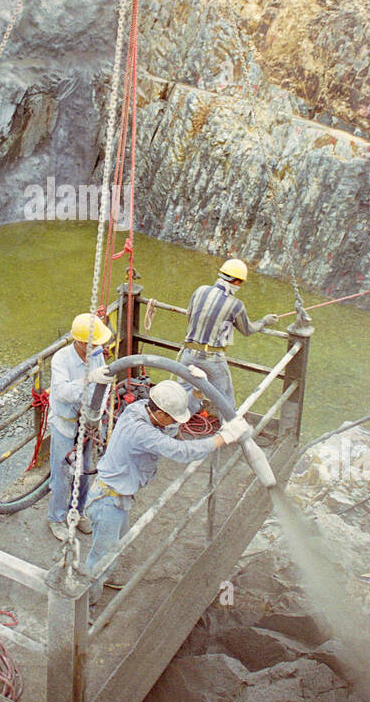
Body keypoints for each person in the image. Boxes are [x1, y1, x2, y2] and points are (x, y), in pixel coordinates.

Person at [83, 380, 249, 604]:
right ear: (159, 413)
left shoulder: (142, 408)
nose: (172, 422)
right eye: (170, 417)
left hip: (117, 498)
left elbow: (171, 424)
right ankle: (86, 605)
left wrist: (196, 394)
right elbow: (180, 451)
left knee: (115, 546)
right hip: (108, 502)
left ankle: (104, 578)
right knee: (99, 558)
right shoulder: (141, 431)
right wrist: (222, 438)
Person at [178, 258, 279, 417]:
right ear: (237, 281)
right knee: (225, 398)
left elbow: (189, 316)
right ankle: (227, 430)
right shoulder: (235, 304)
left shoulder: (200, 290)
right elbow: (248, 330)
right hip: (213, 358)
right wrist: (265, 321)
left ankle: (177, 424)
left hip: (189, 353)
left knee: (182, 394)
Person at [47, 312, 113, 541]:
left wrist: (99, 411)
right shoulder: (61, 359)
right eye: (94, 342)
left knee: (84, 472)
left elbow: (103, 385)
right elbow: (63, 393)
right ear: (81, 342)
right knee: (62, 474)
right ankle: (56, 518)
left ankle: (78, 512)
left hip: (87, 425)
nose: (98, 347)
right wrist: (87, 379)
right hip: (65, 426)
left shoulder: (95, 355)